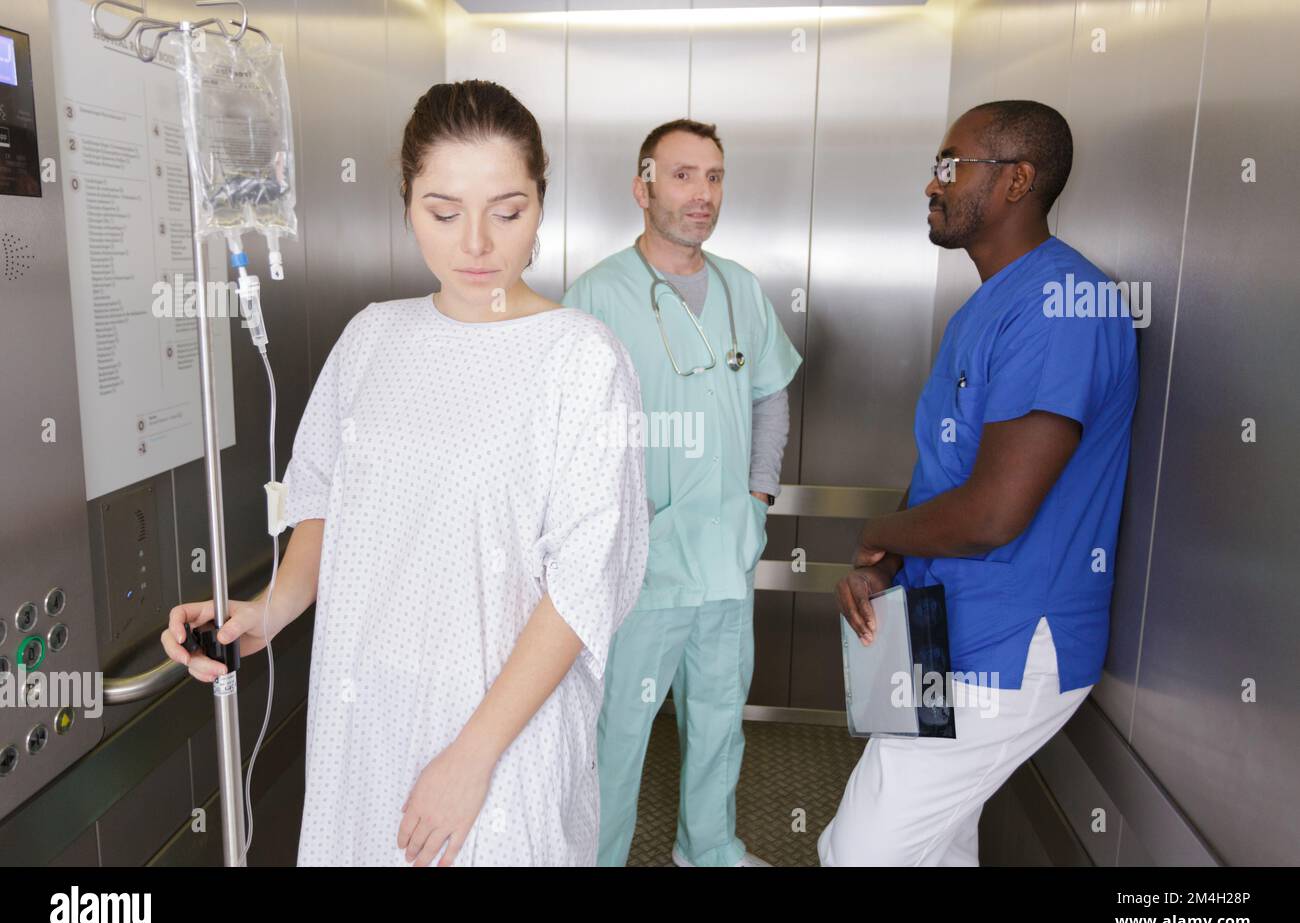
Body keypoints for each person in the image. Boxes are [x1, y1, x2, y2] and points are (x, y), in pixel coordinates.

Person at [160, 79, 649, 866]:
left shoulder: (582, 359)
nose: (476, 245)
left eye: (507, 211)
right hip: (366, 712)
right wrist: (269, 610)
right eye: (444, 212)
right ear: (408, 205)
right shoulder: (371, 339)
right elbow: (326, 499)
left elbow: (583, 584)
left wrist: (471, 758)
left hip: (502, 738)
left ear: (540, 206)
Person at [819, 100, 1138, 865]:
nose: (933, 184)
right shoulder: (986, 308)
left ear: (1016, 180)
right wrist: (889, 564)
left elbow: (995, 513)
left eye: (950, 165)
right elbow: (947, 474)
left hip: (1009, 643)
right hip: (944, 629)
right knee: (937, 850)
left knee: (858, 853)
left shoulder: (1062, 307)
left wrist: (874, 534)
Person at [563, 120, 803, 867]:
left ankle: (710, 849)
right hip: (641, 564)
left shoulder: (741, 289)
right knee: (617, 731)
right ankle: (597, 857)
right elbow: (571, 430)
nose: (703, 194)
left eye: (714, 176)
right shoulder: (596, 295)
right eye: (682, 175)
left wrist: (759, 496)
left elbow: (770, 396)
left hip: (727, 551)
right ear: (642, 188)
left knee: (720, 716)